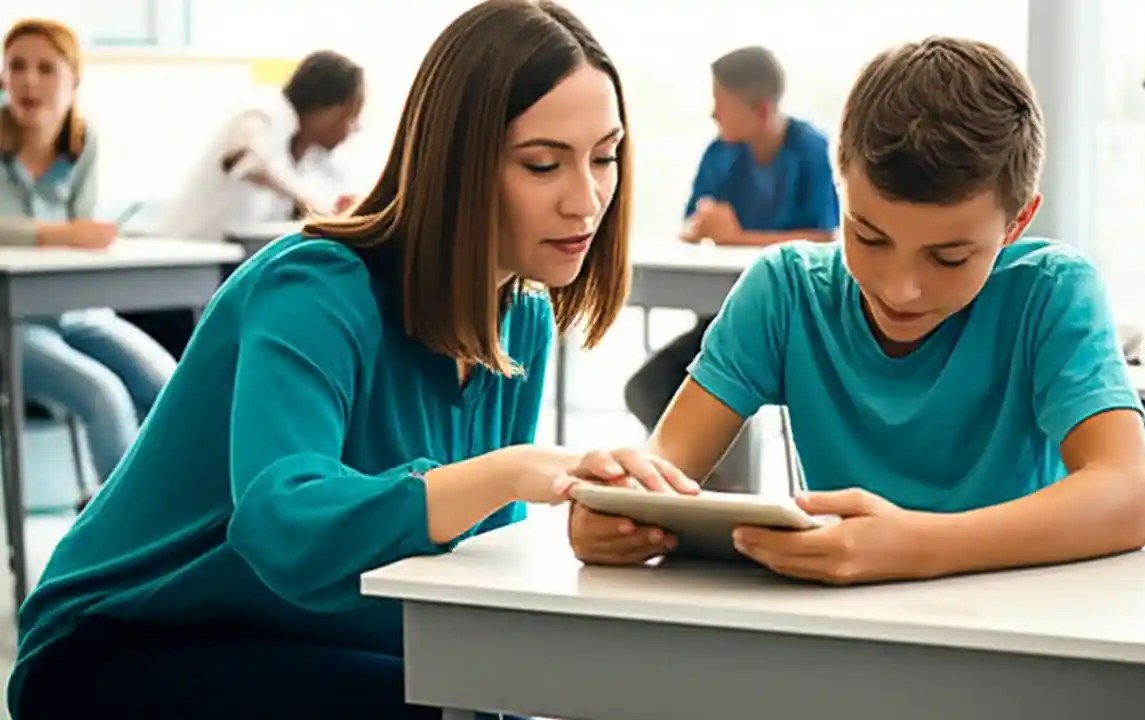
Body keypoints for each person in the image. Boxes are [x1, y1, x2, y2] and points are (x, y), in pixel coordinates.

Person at [9, 2, 695, 718]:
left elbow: (458, 574)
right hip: (118, 644)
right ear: (456, 162)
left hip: (295, 637)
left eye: (606, 156)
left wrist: (585, 527)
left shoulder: (520, 323)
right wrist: (515, 472)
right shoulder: (313, 287)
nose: (587, 199)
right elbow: (284, 523)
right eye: (543, 163)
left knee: (512, 698)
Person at [570, 37, 1145, 582]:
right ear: (841, 185)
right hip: (842, 638)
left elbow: (1126, 497)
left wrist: (917, 547)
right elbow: (667, 462)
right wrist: (619, 508)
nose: (901, 289)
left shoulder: (1050, 293)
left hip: (1023, 635)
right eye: (868, 237)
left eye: (948, 257)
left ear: (1016, 223)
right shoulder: (785, 291)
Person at [624, 45, 839, 491]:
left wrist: (736, 236)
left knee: (728, 397)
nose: (712, 114)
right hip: (720, 318)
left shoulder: (810, 150)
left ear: (760, 108)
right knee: (645, 387)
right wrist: (702, 227)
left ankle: (726, 491)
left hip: (786, 326)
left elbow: (824, 240)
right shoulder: (720, 154)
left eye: (721, 103)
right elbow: (695, 222)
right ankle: (707, 491)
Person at [0, 18, 177, 494]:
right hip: (11, 324)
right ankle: (126, 538)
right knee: (103, 396)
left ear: (72, 79)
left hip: (79, 313)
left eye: (44, 68)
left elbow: (85, 234)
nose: (29, 80)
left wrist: (83, 236)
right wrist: (61, 233)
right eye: (16, 66)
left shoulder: (82, 142)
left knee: (174, 387)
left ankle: (178, 520)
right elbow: (69, 232)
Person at [132, 49, 367, 359]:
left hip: (224, 284)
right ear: (326, 106)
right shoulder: (267, 110)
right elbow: (247, 158)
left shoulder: (310, 158)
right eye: (351, 115)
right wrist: (302, 198)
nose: (353, 128)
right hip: (176, 287)